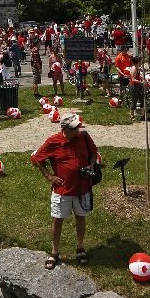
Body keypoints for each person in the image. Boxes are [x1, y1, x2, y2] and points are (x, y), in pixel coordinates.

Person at [30, 114, 101, 269]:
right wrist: (49, 176)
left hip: (82, 188)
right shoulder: (53, 141)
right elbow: (36, 158)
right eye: (74, 128)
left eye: (78, 126)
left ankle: (80, 247)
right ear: (64, 129)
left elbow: (94, 152)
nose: (78, 129)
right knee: (58, 220)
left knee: (80, 217)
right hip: (62, 190)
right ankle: (55, 252)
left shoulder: (83, 136)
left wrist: (90, 167)